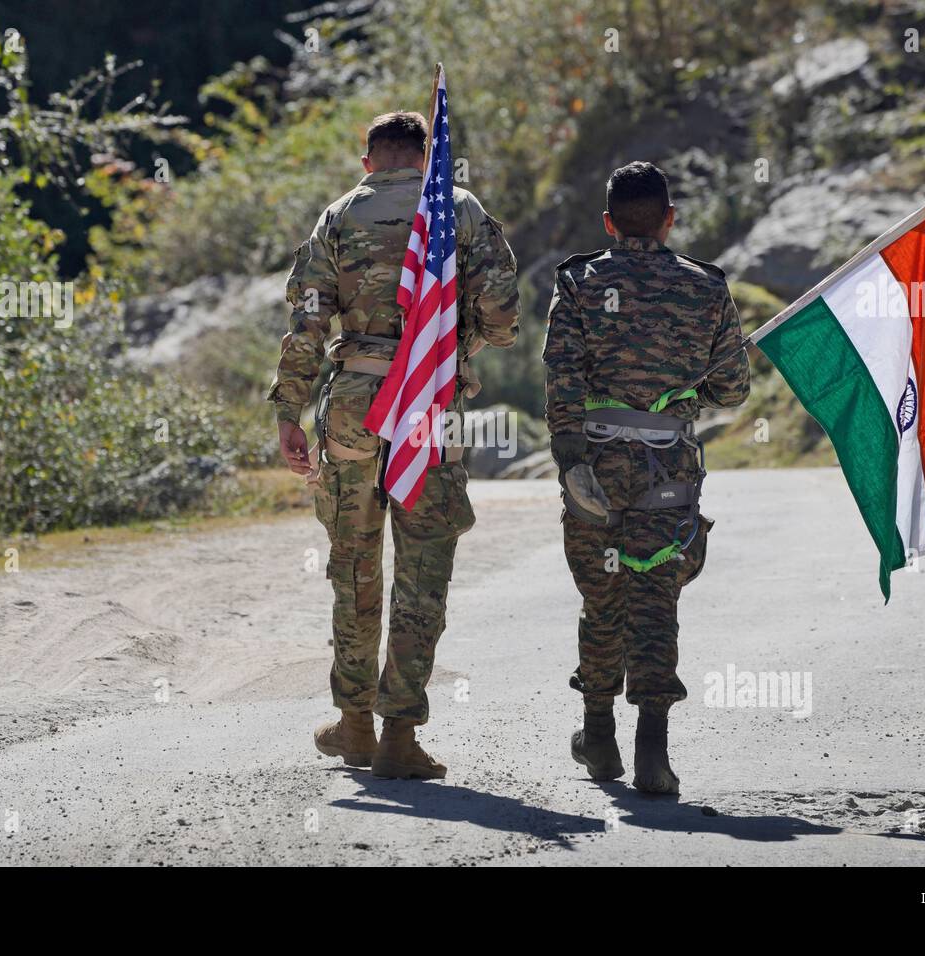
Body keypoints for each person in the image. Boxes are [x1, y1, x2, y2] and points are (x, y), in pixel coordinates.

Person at [267, 111, 520, 779]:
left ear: (368, 158)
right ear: (426, 155)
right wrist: (462, 332)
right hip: (428, 408)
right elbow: (501, 315)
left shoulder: (339, 215)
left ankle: (354, 727)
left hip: (354, 406)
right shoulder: (459, 209)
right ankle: (400, 735)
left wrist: (289, 411)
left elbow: (306, 321)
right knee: (423, 571)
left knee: (354, 568)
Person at [542, 161, 750, 794]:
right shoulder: (705, 288)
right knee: (654, 596)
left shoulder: (579, 283)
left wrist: (572, 462)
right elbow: (733, 389)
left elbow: (562, 381)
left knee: (602, 598)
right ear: (669, 219)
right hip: (669, 468)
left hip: (595, 467)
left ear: (608, 222)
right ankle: (653, 748)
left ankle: (598, 737)